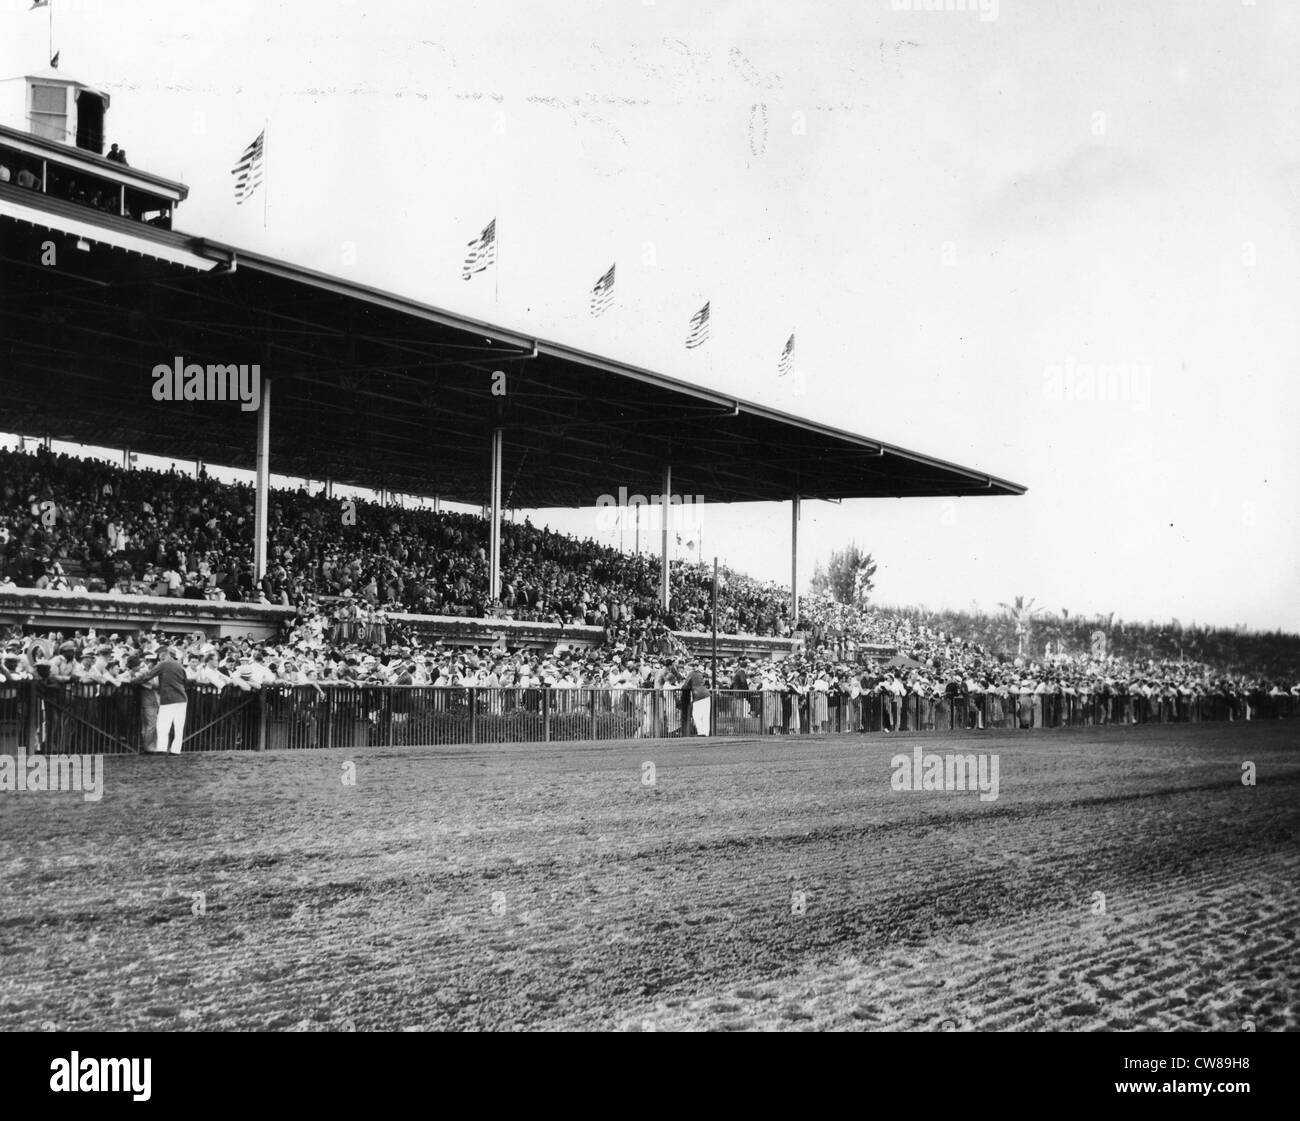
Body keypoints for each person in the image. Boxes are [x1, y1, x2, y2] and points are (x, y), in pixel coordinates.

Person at [132, 647, 189, 754]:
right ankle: (176, 750)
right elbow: (185, 681)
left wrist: (133, 681)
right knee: (178, 726)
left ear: (162, 655)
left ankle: (162, 748)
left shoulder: (163, 664)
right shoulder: (179, 665)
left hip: (168, 699)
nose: (158, 659)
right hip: (182, 698)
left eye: (159, 657)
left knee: (163, 725)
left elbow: (148, 676)